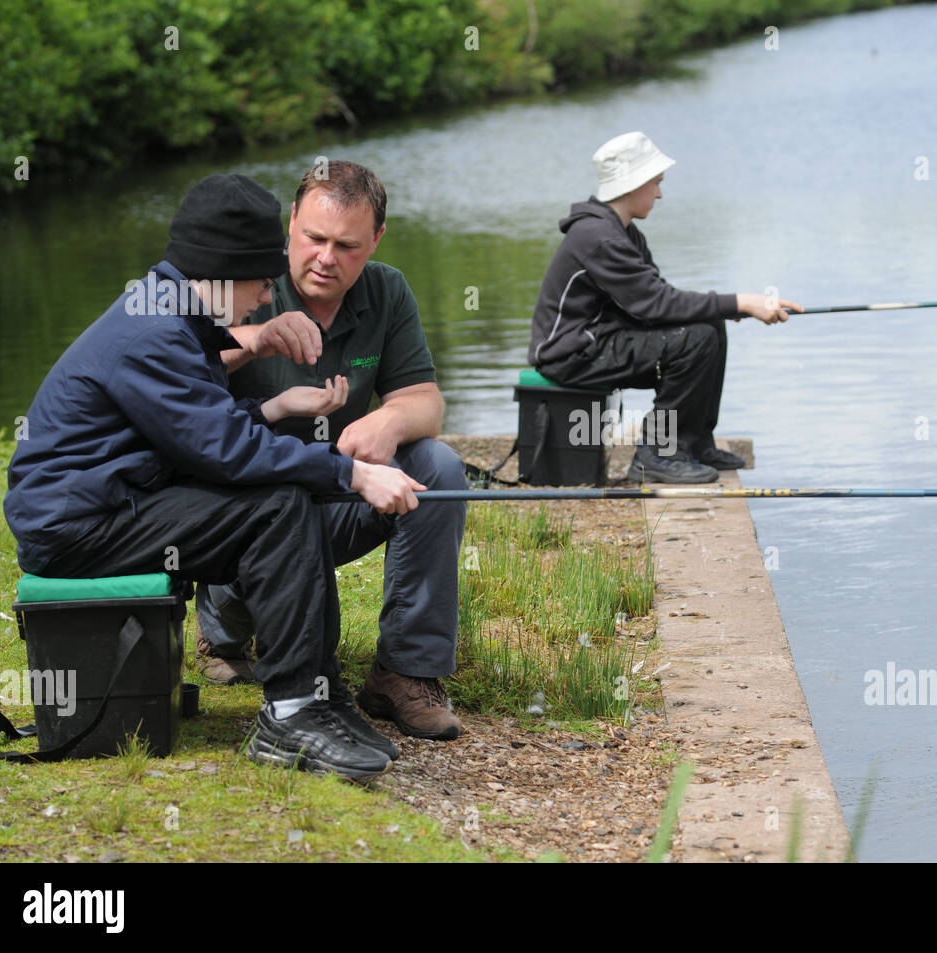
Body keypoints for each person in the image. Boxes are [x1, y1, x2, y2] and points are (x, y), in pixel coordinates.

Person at [4, 173, 420, 780]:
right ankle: (291, 716)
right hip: (75, 525)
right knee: (277, 506)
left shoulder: (170, 312)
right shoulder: (154, 334)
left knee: (281, 498)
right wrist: (352, 473)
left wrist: (273, 409)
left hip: (111, 502)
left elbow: (194, 433)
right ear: (221, 271)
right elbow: (227, 454)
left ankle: (317, 694)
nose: (263, 296)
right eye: (259, 280)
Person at [197, 160, 467, 741]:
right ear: (290, 223)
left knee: (438, 467)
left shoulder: (388, 290)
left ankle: (404, 672)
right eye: (314, 238)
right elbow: (168, 379)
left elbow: (426, 400)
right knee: (242, 627)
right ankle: (220, 631)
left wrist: (391, 422)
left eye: (346, 245)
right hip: (251, 509)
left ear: (376, 240)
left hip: (341, 491)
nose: (325, 258)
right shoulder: (242, 284)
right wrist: (255, 341)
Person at [528, 131, 801, 483]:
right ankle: (657, 453)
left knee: (709, 326)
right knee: (695, 338)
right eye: (656, 183)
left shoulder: (623, 232)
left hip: (599, 341)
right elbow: (657, 305)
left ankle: (694, 442)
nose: (660, 193)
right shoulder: (598, 237)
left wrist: (728, 308)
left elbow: (655, 300)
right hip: (570, 354)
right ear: (634, 183)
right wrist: (741, 300)